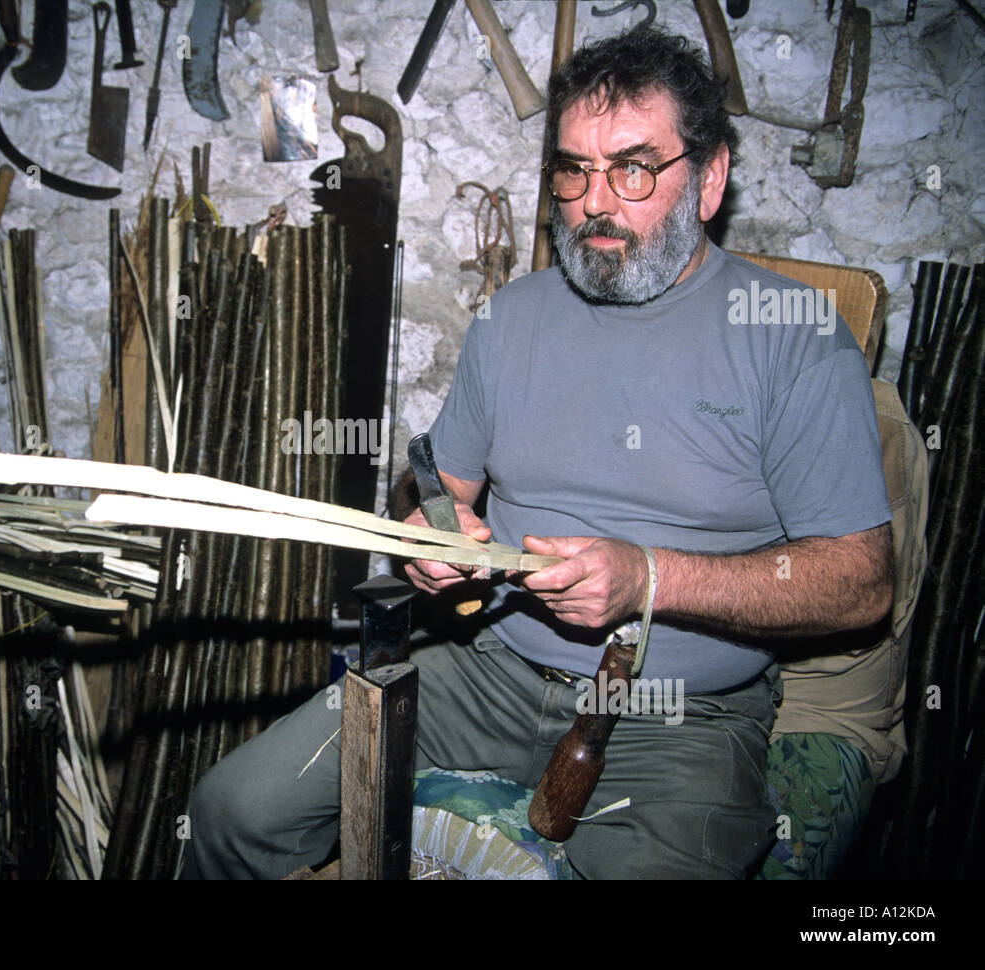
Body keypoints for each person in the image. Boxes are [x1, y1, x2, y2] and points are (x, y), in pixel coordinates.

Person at [181, 25, 894, 879]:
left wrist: (653, 578)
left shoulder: (795, 339)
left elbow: (860, 583)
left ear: (709, 180)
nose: (595, 202)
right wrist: (431, 542)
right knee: (231, 812)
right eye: (571, 169)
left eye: (633, 169)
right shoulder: (513, 317)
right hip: (486, 674)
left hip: (679, 716)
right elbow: (428, 488)